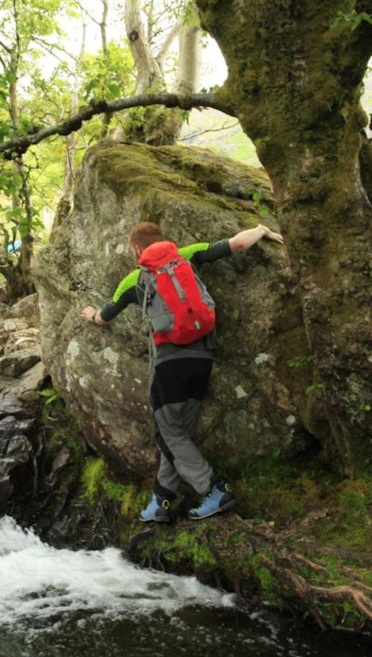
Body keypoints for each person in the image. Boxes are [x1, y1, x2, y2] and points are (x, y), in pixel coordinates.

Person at [80, 221, 284, 522]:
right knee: (177, 433)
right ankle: (163, 500)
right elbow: (237, 244)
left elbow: (104, 318)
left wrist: (91, 314)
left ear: (137, 248)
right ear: (164, 240)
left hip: (169, 362)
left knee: (168, 430)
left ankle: (215, 488)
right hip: (203, 357)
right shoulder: (186, 256)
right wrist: (262, 230)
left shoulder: (134, 280)